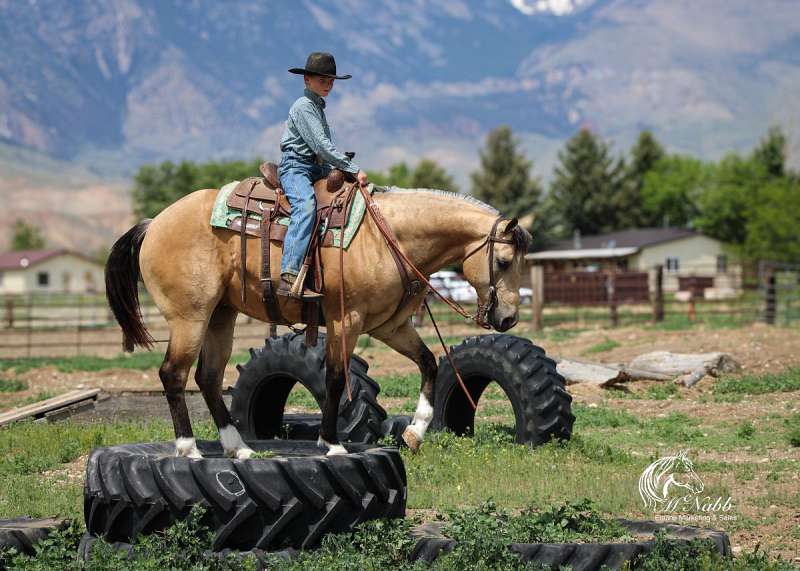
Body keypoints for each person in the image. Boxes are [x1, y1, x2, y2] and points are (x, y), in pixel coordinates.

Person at [277, 52, 369, 300]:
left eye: (331, 80)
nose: (328, 84)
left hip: (316, 167)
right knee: (306, 206)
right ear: (307, 79)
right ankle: (289, 275)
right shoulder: (304, 107)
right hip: (296, 166)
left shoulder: (316, 105)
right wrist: (352, 168)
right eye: (322, 79)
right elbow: (321, 146)